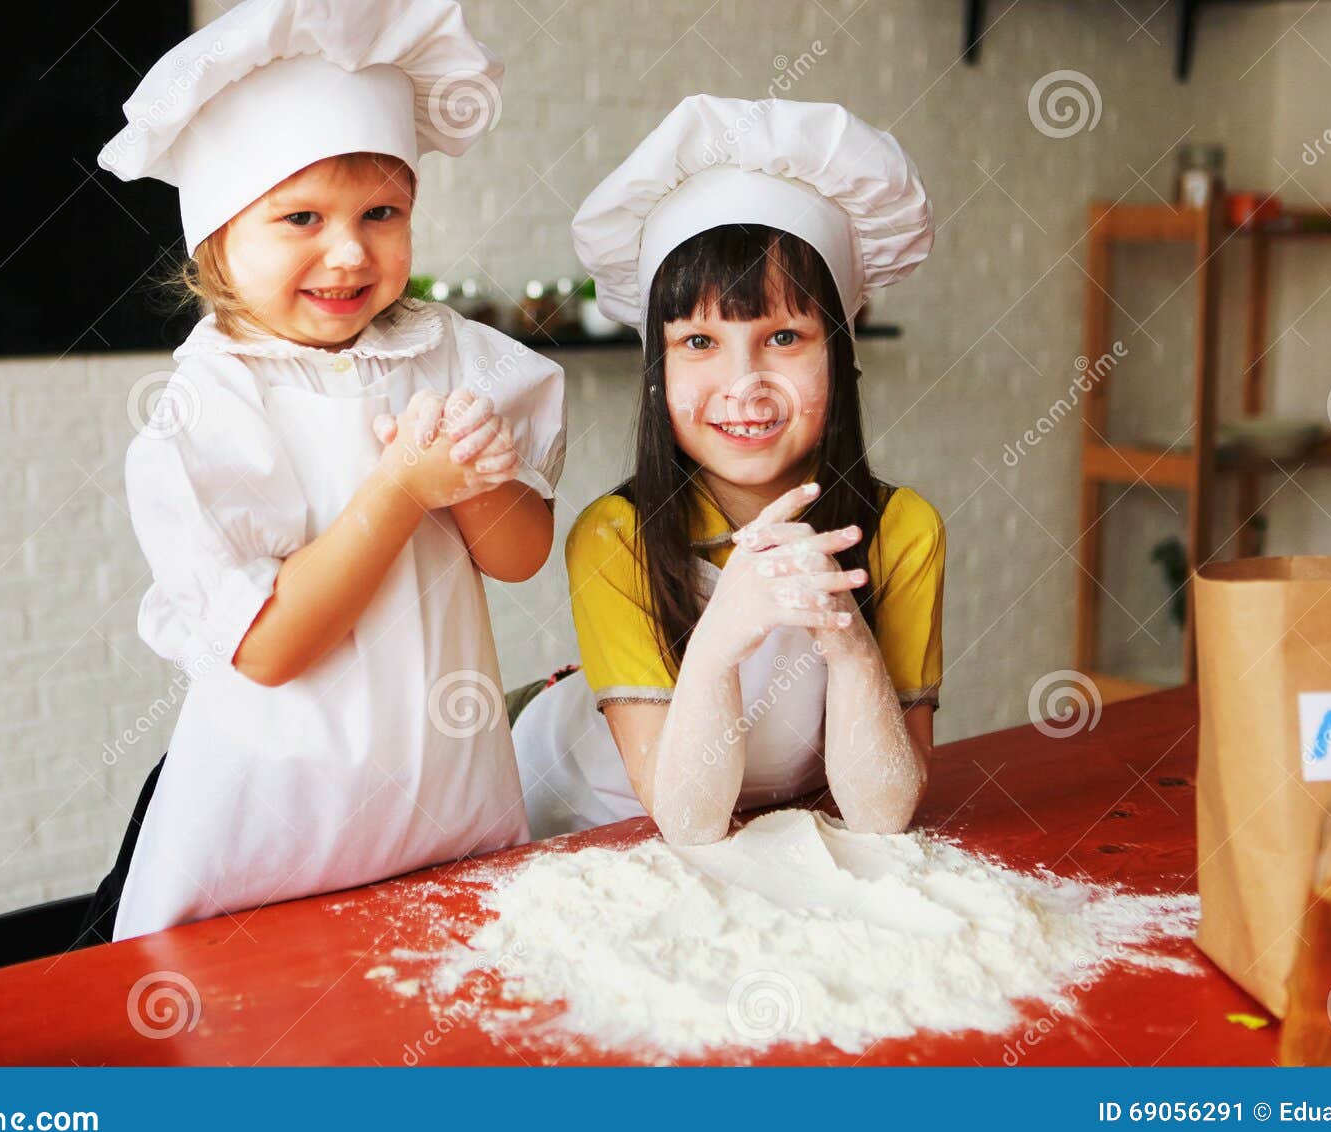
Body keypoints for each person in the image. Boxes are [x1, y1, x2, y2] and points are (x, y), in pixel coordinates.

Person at [85, 0, 566, 941]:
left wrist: (475, 476)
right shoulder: (212, 406)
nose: (349, 251)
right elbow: (267, 648)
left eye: (381, 212)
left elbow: (518, 557)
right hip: (274, 850)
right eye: (300, 216)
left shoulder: (451, 353)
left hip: (445, 820)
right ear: (219, 236)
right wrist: (399, 491)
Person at [513, 95, 940, 845]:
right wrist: (722, 634)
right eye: (700, 342)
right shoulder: (615, 538)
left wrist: (845, 635)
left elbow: (882, 811)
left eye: (783, 334)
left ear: (839, 354)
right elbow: (687, 819)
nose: (745, 384)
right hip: (596, 817)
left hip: (777, 824)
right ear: (658, 366)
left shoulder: (903, 532)